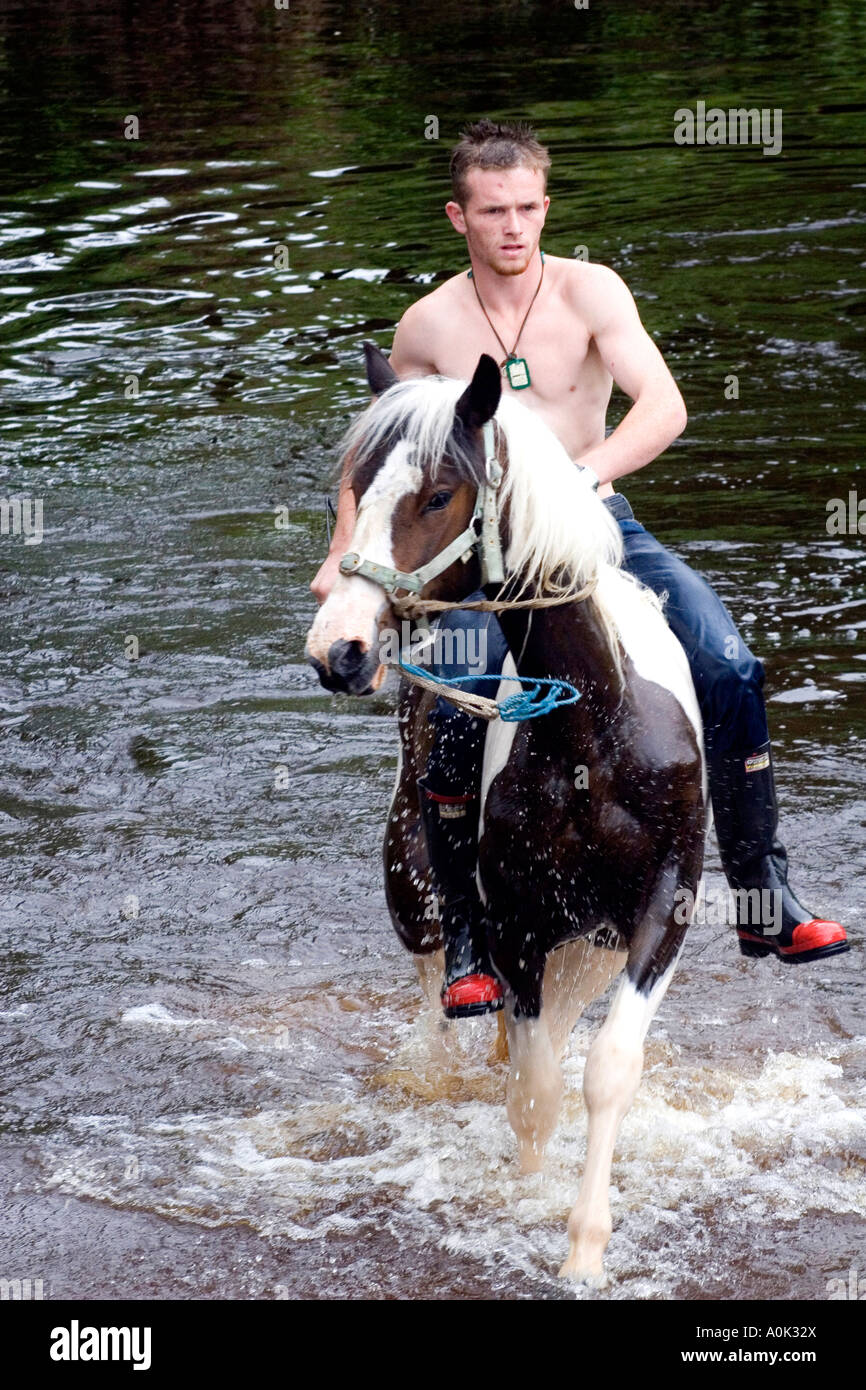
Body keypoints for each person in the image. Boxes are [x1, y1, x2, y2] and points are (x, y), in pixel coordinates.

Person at [312, 120, 848, 1018]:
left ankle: (764, 897)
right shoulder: (428, 325)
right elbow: (381, 457)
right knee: (452, 708)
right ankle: (469, 939)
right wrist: (341, 555)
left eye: (527, 207)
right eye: (493, 211)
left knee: (729, 663)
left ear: (546, 206)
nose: (513, 227)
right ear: (459, 216)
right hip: (478, 555)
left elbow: (664, 407)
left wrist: (578, 480)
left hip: (597, 524)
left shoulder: (591, 291)